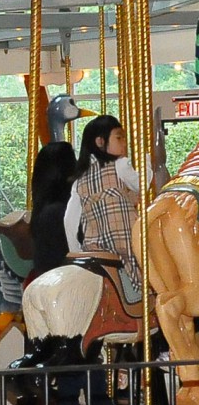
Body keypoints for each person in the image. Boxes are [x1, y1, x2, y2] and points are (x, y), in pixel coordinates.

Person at [30, 140, 131, 405]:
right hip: (75, 297)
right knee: (84, 376)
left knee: (74, 379)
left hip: (48, 291)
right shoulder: (68, 209)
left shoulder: (41, 211)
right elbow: (85, 248)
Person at [64, 115, 146, 291]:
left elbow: (69, 221)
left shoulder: (80, 180)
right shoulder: (120, 165)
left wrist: (76, 252)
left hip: (95, 249)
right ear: (100, 141)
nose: (124, 143)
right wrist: (147, 161)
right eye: (119, 137)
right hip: (127, 244)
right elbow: (142, 184)